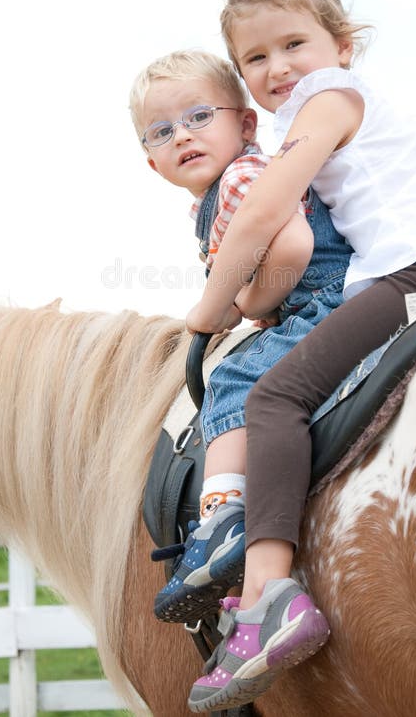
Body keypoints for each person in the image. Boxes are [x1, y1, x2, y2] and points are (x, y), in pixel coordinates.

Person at [184, 0, 416, 713]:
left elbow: (267, 210)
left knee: (273, 399)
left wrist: (211, 308)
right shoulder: (347, 102)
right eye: (255, 58)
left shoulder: (328, 98)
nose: (278, 67)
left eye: (293, 44)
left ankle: (269, 598)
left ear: (342, 45)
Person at [128, 49, 352, 632]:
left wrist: (242, 303)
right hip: (308, 302)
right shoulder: (217, 195)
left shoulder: (241, 180)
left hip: (325, 299)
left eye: (200, 116)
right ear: (153, 162)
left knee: (231, 382)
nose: (182, 135)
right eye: (162, 131)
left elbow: (296, 248)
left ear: (246, 124)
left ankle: (221, 516)